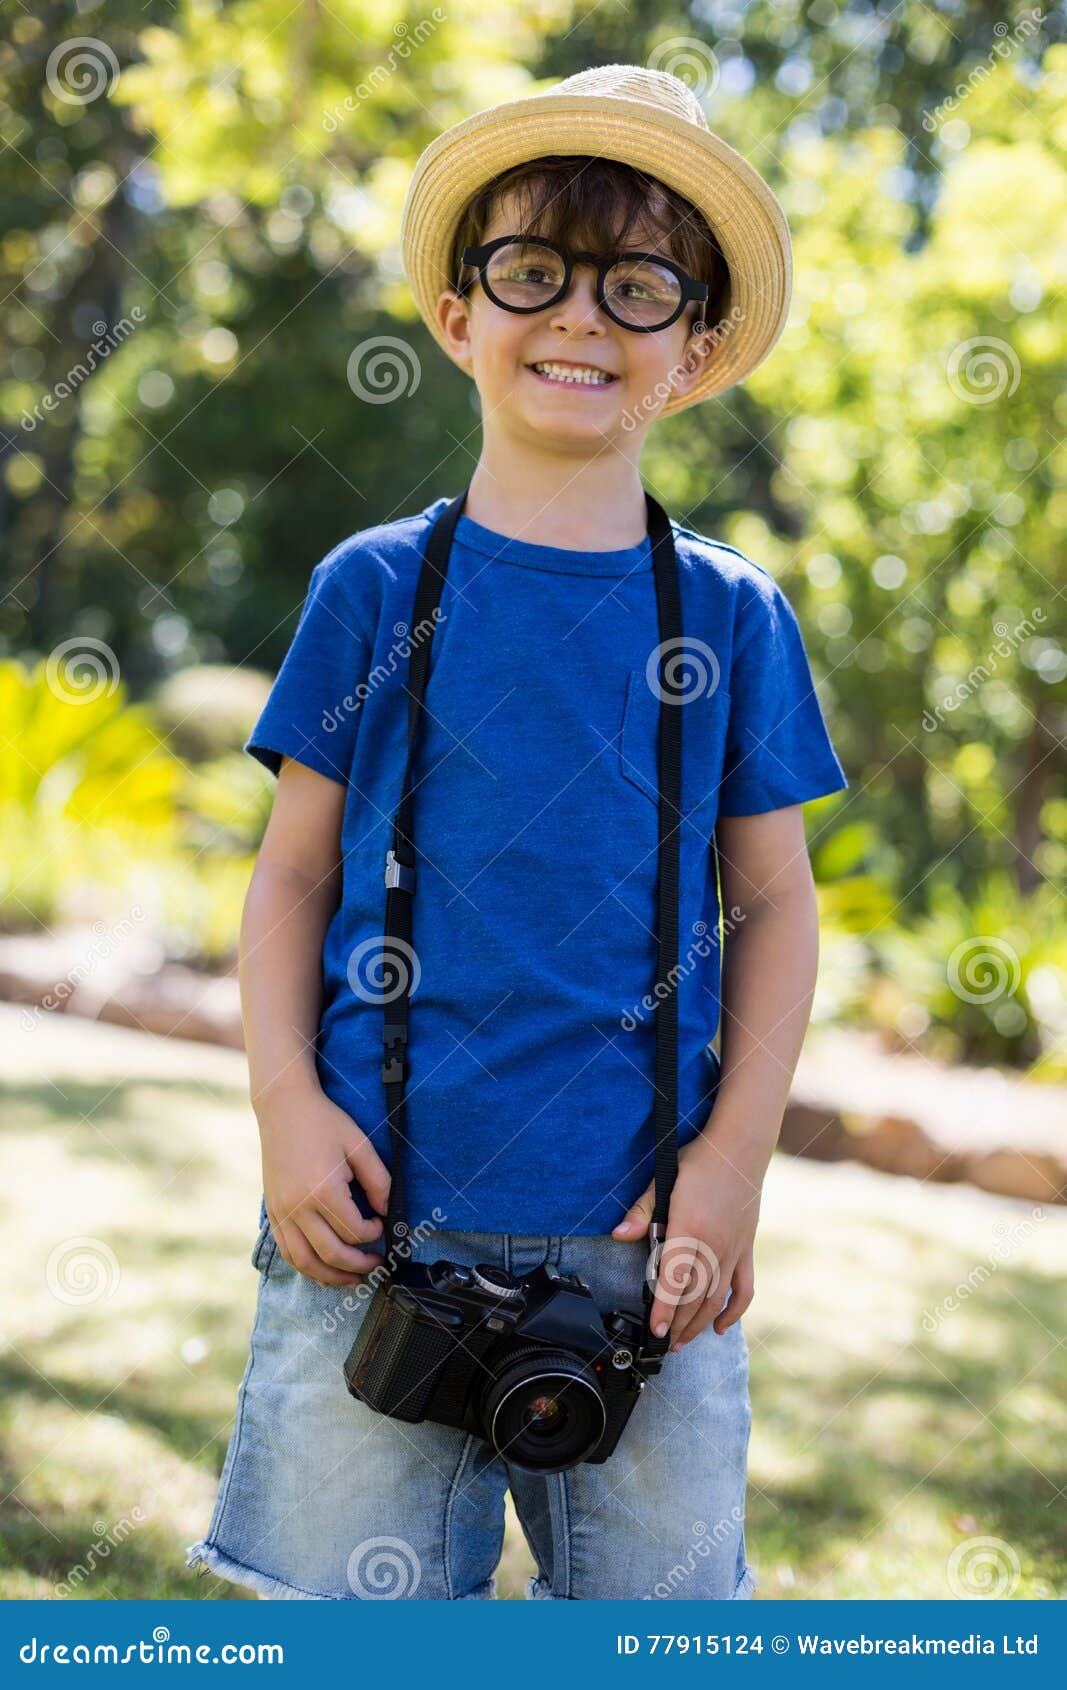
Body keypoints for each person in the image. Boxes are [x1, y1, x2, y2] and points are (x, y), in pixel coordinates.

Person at [186, 63, 847, 1601]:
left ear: (692, 351)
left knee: (659, 1637)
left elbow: (778, 906)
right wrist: (286, 1101)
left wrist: (733, 1163)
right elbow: (289, 875)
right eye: (534, 270)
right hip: (370, 1240)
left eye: (638, 287)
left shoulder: (733, 619)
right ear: (459, 313)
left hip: (649, 1260)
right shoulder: (374, 591)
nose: (582, 320)